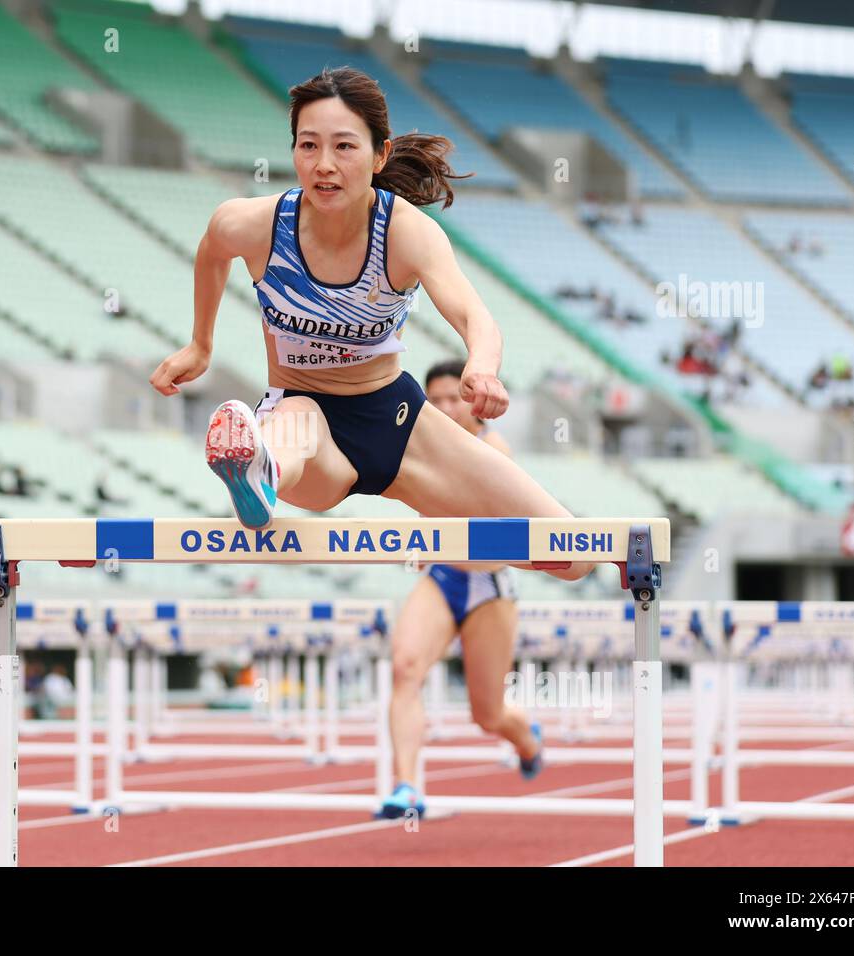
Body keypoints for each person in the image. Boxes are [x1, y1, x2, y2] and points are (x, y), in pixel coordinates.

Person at [148, 66, 592, 585]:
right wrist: (200, 344)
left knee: (571, 555)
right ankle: (258, 472)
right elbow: (212, 249)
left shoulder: (406, 233)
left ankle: (473, 561)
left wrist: (483, 368)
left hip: (398, 420)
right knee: (295, 425)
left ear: (380, 154)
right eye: (308, 146)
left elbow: (475, 316)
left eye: (344, 147)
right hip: (307, 418)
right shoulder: (255, 225)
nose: (324, 166)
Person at [378, 361, 541, 819]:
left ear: (473, 403)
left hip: (488, 584)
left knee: (487, 715)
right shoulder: (421, 447)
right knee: (405, 668)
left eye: (455, 398)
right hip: (443, 577)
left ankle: (527, 739)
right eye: (437, 400)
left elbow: (501, 536)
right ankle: (407, 785)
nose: (446, 408)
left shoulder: (495, 450)